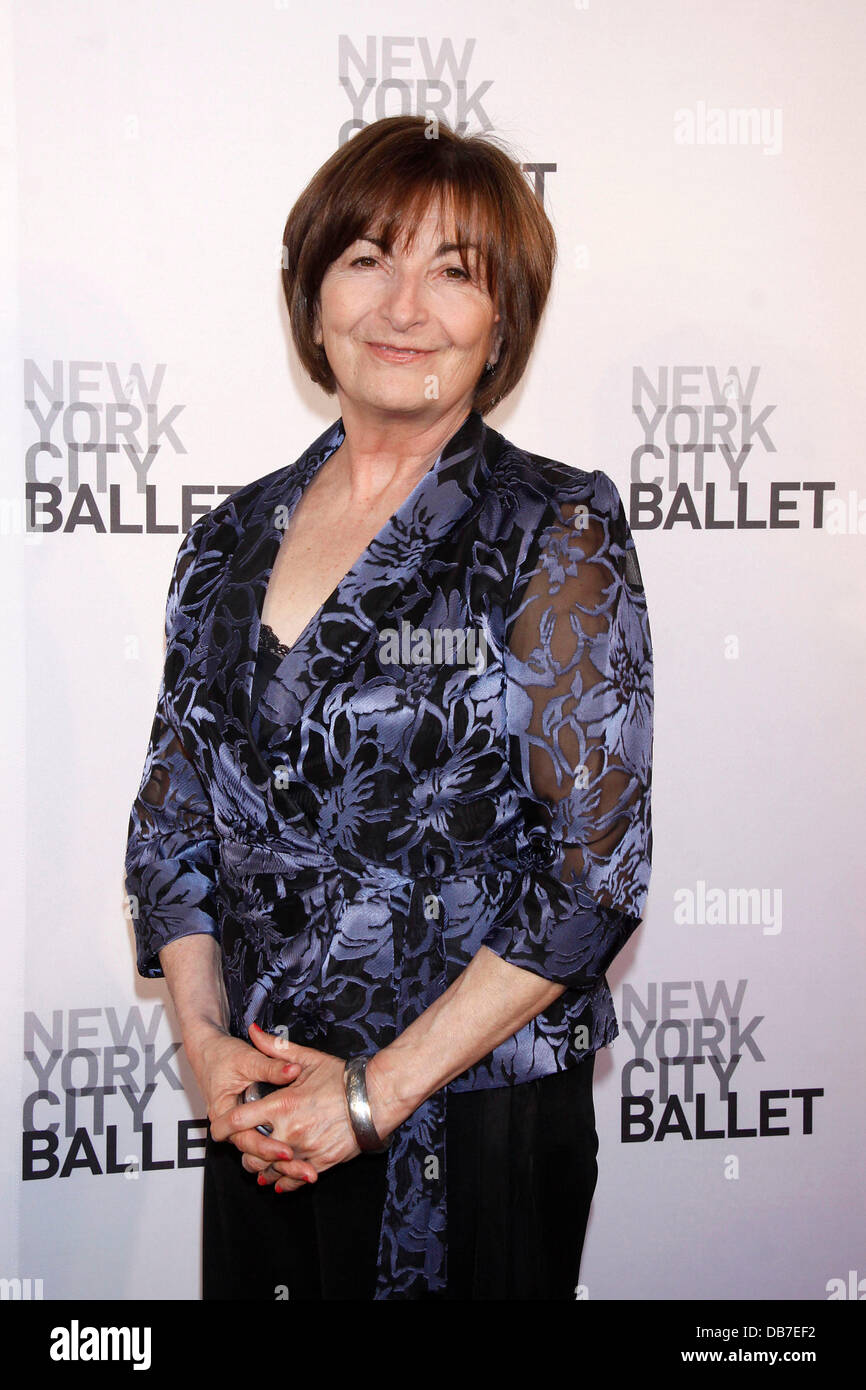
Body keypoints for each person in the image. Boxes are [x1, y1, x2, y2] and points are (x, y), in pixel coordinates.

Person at [124, 114, 653, 1301]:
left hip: (467, 1122)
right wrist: (209, 1049)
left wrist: (366, 1097)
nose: (402, 306)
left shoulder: (549, 529)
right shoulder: (226, 539)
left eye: (452, 273)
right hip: (263, 1117)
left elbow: (593, 878)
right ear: (311, 297)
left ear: (500, 321)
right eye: (367, 257)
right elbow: (172, 825)